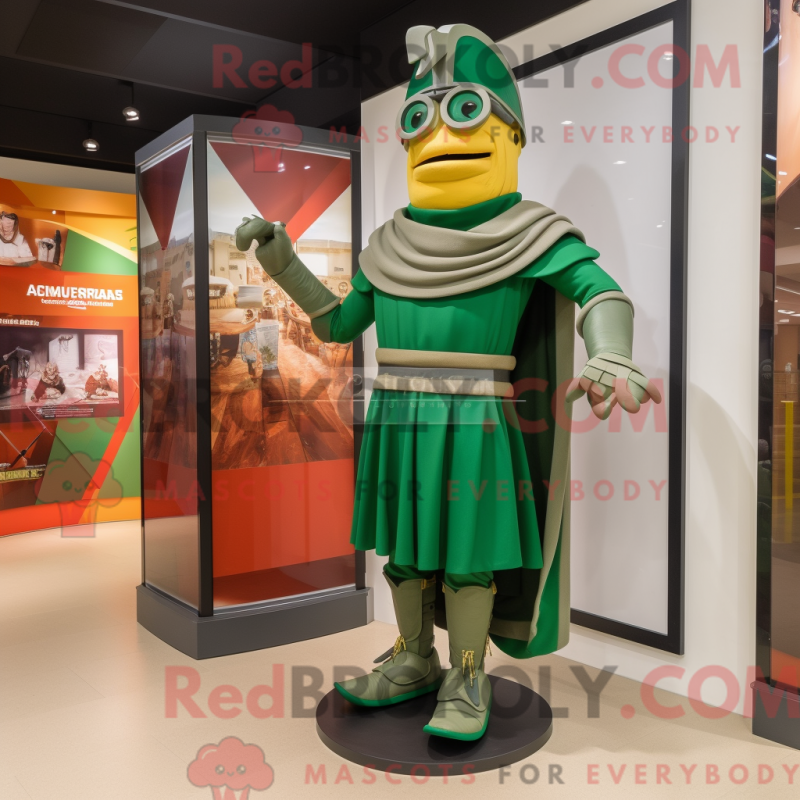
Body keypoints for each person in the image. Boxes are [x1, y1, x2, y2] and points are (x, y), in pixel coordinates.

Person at [237, 24, 662, 742]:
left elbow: (600, 292)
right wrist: (283, 262)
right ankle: (413, 657)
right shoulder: (388, 244)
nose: (437, 136)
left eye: (464, 112)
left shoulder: (532, 232)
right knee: (404, 553)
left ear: (509, 135)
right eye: (420, 120)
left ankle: (467, 673)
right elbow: (339, 324)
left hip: (475, 419)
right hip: (398, 416)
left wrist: (613, 353)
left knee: (469, 557)